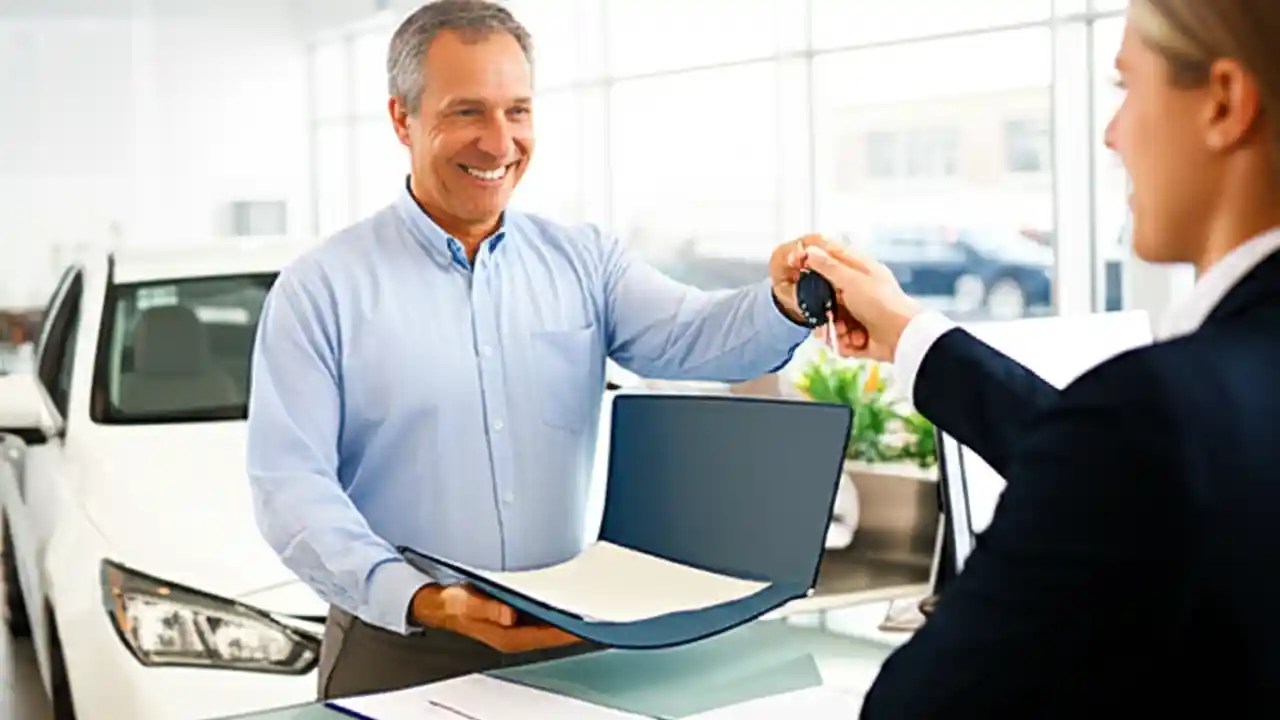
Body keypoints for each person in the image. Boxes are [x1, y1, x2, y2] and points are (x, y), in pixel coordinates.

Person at [246, 0, 829, 701]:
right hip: (401, 646)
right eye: (467, 112)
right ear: (403, 119)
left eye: (517, 111)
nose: (499, 144)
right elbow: (291, 487)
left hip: (567, 642)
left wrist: (785, 301)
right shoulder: (321, 289)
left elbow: (697, 335)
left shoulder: (585, 262)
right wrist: (421, 598)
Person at [803, 0, 1280, 716]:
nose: (1112, 134)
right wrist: (909, 332)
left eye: (1127, 85)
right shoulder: (1182, 425)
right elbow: (1133, 476)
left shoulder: (1156, 418)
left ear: (1223, 101)